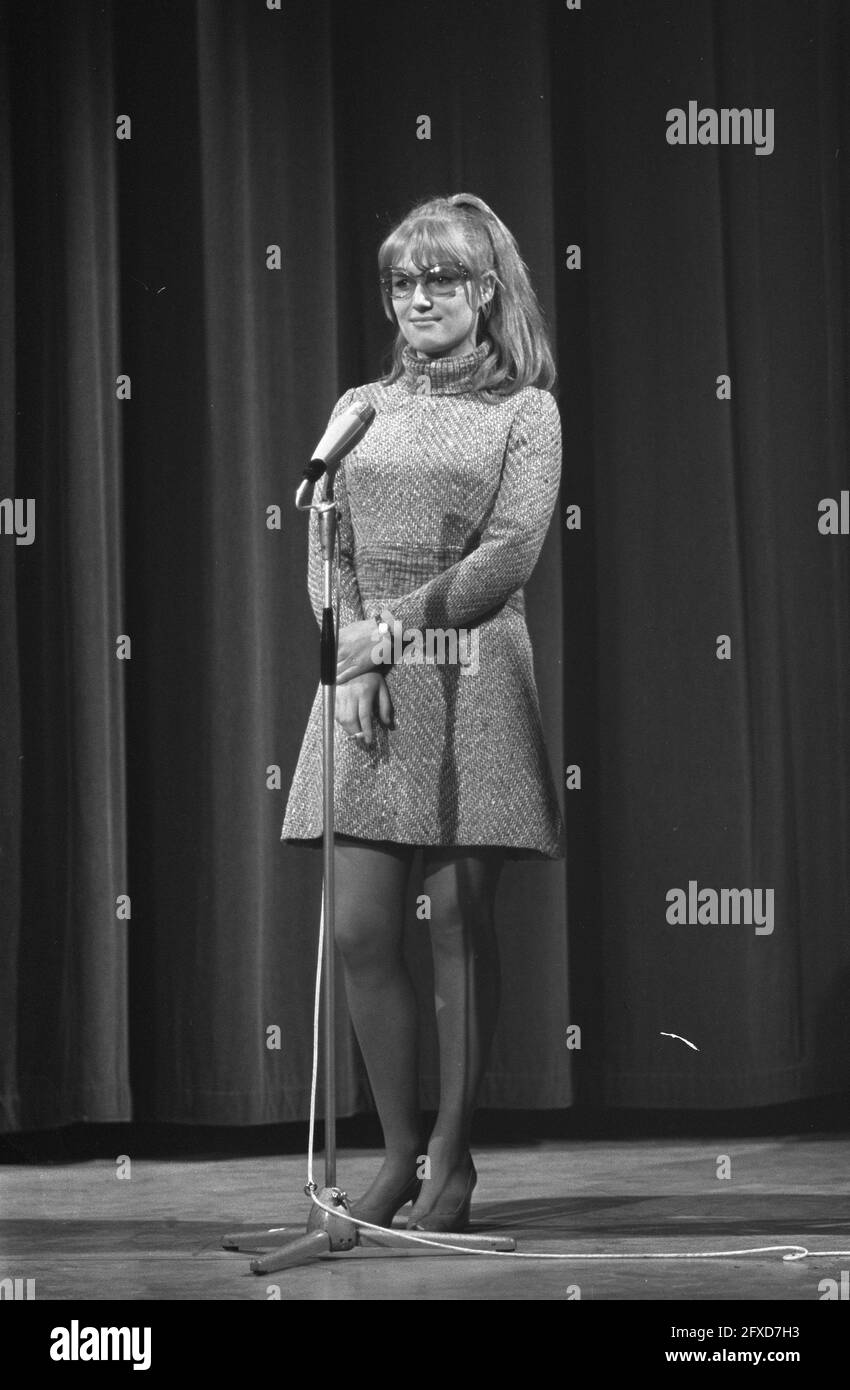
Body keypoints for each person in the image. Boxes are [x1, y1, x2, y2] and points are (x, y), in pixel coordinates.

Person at [282, 193, 565, 1232]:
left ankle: (452, 1159)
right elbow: (325, 541)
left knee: (456, 924)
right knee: (360, 931)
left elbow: (505, 556)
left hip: (472, 674)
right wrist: (345, 658)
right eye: (402, 282)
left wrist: (380, 632)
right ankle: (395, 1155)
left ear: (487, 290)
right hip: (365, 681)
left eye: (440, 280)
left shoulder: (523, 410)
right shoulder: (358, 404)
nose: (418, 299)